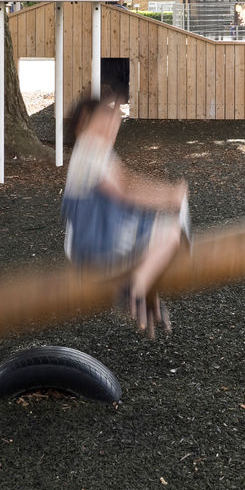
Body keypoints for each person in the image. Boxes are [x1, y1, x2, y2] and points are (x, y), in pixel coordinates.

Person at [62, 96, 188, 337]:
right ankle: (137, 290)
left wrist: (166, 194)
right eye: (106, 120)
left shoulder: (88, 154)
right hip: (100, 240)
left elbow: (127, 184)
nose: (113, 127)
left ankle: (145, 291)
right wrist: (169, 196)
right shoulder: (91, 150)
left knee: (152, 229)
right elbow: (126, 191)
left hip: (83, 244)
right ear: (84, 122)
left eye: (115, 122)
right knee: (171, 232)